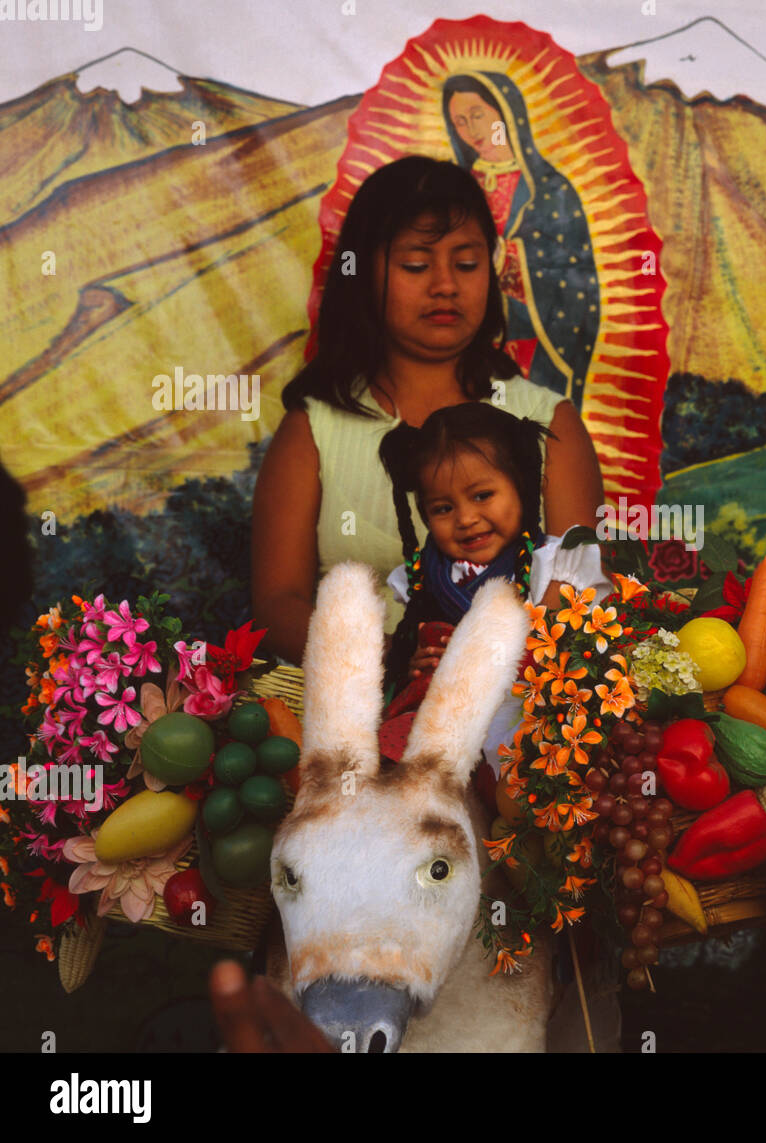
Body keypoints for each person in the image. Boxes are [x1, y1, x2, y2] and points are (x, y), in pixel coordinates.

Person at [251, 157, 604, 664]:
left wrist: (491, 666)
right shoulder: (313, 429)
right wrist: (391, 659)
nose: (445, 285)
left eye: (466, 264)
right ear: (362, 273)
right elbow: (276, 604)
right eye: (416, 265)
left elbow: (580, 588)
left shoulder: (550, 423)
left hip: (519, 712)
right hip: (359, 703)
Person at [377, 401, 611, 762]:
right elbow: (416, 663)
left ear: (523, 487)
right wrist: (418, 666)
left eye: (482, 495)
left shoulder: (553, 567)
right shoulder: (422, 579)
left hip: (532, 724)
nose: (466, 518)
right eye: (443, 508)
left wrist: (476, 652)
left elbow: (559, 647)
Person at [441, 72, 600, 406]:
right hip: (470, 342)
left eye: (478, 115)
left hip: (536, 342)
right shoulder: (456, 190)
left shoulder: (551, 190)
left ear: (506, 114)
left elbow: (576, 271)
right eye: (459, 122)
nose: (471, 130)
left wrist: (510, 257)